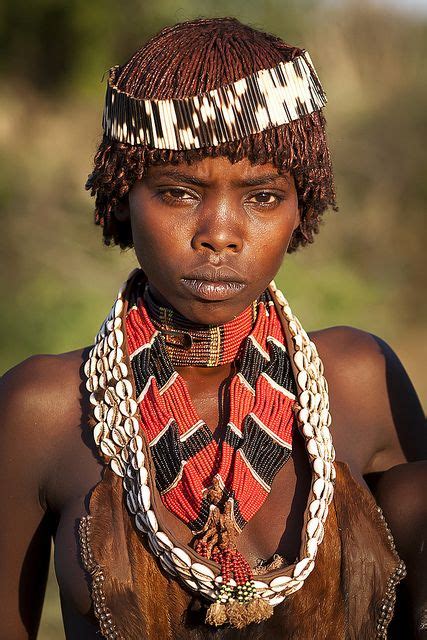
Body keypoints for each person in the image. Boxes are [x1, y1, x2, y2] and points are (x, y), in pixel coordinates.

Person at [0, 17, 426, 640]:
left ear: (301, 205)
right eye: (176, 192)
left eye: (261, 196)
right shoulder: (44, 410)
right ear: (123, 196)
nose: (219, 232)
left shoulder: (360, 380)